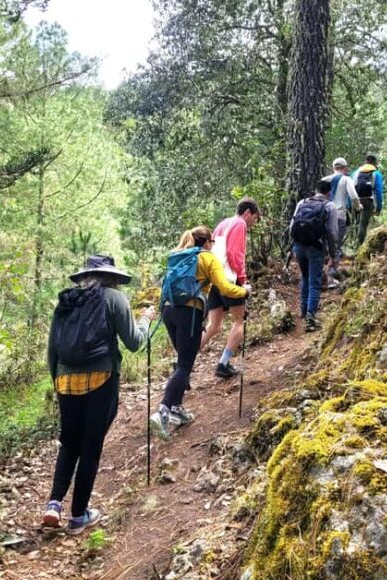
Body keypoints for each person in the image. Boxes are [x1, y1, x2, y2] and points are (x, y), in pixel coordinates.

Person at [42, 255, 155, 534]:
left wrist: (57, 381)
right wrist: (145, 320)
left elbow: (52, 350)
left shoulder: (67, 301)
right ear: (112, 277)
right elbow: (134, 343)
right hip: (101, 377)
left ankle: (53, 504)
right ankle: (78, 516)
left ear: (85, 277)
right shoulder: (114, 299)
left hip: (65, 381)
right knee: (91, 447)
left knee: (69, 442)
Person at [150, 226, 250, 440]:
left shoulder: (177, 255)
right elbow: (225, 287)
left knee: (184, 359)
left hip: (168, 310)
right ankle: (163, 411)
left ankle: (176, 408)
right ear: (206, 242)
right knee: (185, 364)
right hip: (190, 312)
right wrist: (244, 291)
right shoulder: (207, 258)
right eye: (211, 242)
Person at [200, 197, 260, 379]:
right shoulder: (240, 224)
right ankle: (223, 364)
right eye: (255, 218)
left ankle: (183, 360)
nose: (254, 223)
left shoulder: (222, 223)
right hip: (229, 278)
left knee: (214, 325)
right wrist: (243, 280)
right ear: (247, 212)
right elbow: (235, 254)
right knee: (239, 321)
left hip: (214, 278)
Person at [289, 179, 339, 332]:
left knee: (304, 277)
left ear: (316, 190)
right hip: (315, 248)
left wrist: (292, 248)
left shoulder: (302, 202)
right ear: (329, 192)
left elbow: (292, 226)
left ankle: (304, 311)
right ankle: (311, 318)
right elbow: (332, 232)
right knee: (314, 282)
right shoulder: (329, 206)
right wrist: (333, 254)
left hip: (299, 246)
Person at [323, 157, 359, 280]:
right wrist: (358, 207)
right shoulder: (346, 179)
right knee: (335, 244)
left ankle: (321, 273)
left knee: (324, 244)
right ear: (345, 168)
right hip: (339, 215)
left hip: (324, 216)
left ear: (333, 168)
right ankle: (332, 273)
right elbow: (354, 196)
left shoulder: (324, 180)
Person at [352, 154, 384, 247]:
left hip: (355, 200)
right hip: (367, 201)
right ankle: (359, 248)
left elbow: (350, 187)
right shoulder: (376, 173)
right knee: (363, 224)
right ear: (375, 163)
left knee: (356, 223)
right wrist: (379, 207)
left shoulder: (356, 172)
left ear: (365, 161)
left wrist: (349, 204)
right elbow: (378, 191)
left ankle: (354, 244)